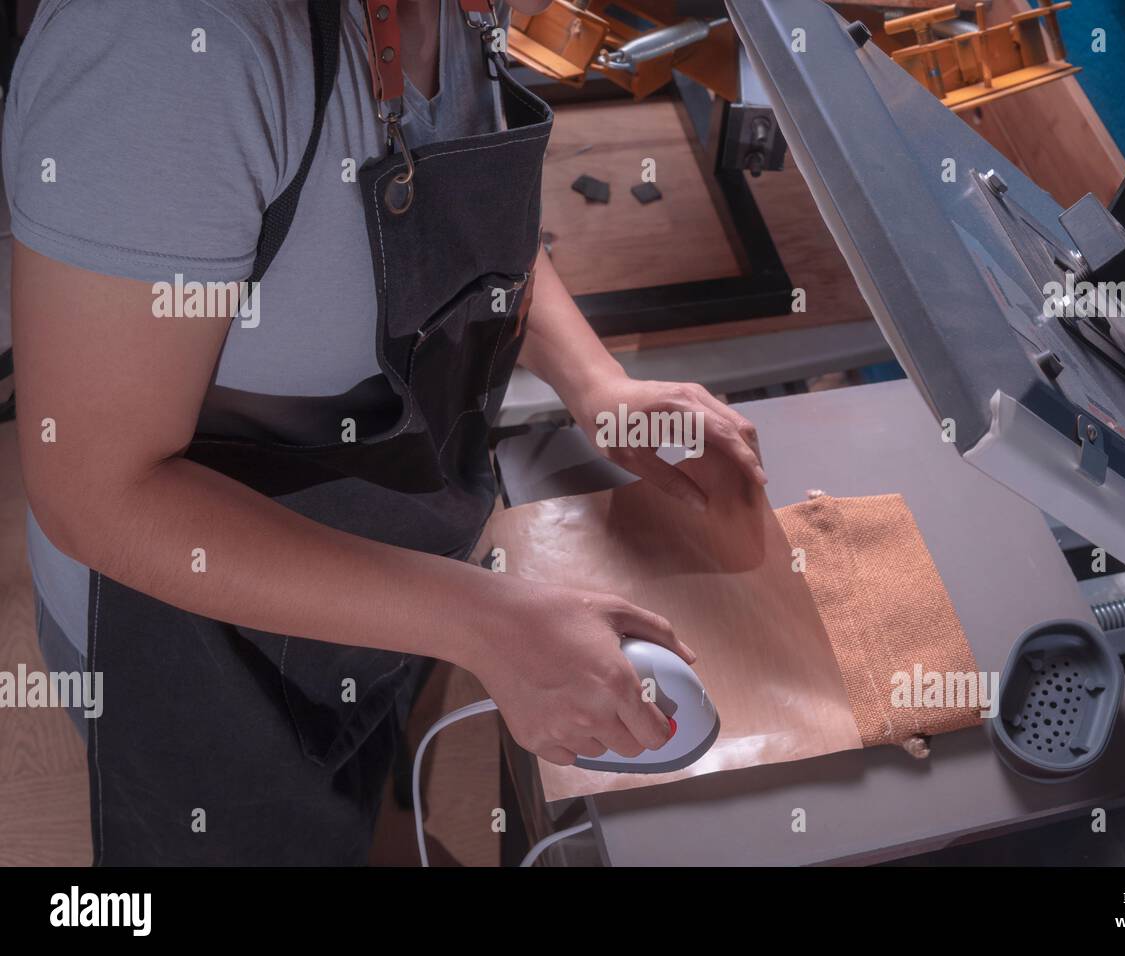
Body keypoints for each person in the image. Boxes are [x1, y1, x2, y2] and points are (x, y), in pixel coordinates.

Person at [5, 0, 764, 864]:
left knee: (369, 799)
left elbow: (461, 213)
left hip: (404, 561)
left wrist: (596, 383)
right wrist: (483, 623)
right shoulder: (171, 51)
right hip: (201, 644)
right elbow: (95, 492)